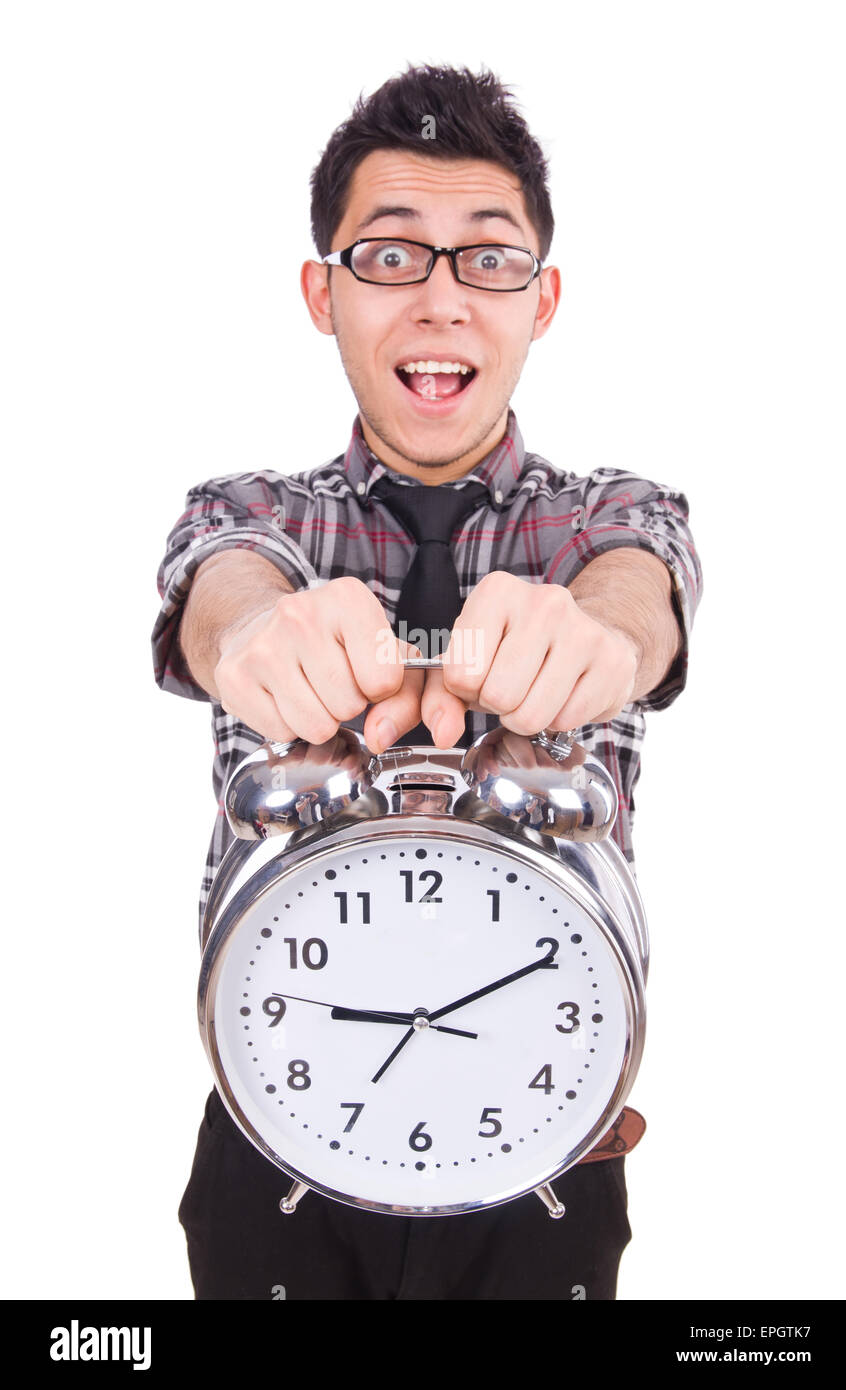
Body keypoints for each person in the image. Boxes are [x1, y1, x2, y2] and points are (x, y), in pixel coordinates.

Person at [152, 63, 703, 1301]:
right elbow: (222, 585)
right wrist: (251, 633)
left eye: (488, 258)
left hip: (547, 1148)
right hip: (277, 1138)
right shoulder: (252, 514)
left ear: (542, 298)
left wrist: (603, 639)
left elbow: (639, 588)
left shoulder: (608, 516)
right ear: (324, 292)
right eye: (390, 257)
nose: (442, 302)